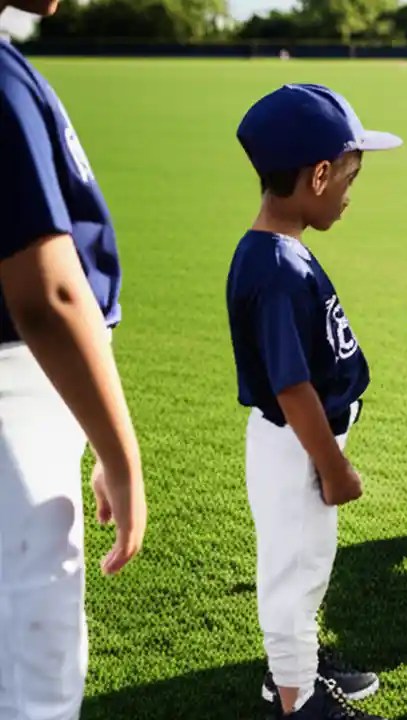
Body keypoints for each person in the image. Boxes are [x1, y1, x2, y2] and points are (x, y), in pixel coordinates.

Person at [228, 83, 401, 720]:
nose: (352, 191)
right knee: (292, 574)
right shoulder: (276, 269)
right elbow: (291, 387)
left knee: (308, 567)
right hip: (300, 445)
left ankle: (292, 669)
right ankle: (298, 701)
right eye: (350, 176)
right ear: (319, 175)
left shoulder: (280, 253)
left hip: (303, 441)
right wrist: (333, 466)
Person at [1, 5, 147, 717]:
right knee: (34, 677)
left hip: (25, 386)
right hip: (14, 396)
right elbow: (50, 295)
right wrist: (121, 456)